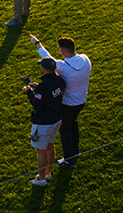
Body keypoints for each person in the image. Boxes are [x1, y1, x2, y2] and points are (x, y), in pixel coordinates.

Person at [30, 34, 91, 167]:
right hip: (81, 101)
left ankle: (68, 159)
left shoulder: (64, 67)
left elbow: (47, 58)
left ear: (63, 51)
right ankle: (75, 150)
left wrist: (37, 43)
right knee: (73, 124)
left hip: (67, 105)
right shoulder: (85, 59)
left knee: (65, 131)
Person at [25, 57, 66, 186]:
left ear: (43, 68)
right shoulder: (60, 80)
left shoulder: (43, 87)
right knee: (50, 145)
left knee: (41, 151)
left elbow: (37, 104)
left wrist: (29, 92)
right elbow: (51, 92)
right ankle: (47, 172)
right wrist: (38, 87)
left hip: (44, 123)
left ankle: (41, 179)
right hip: (56, 119)